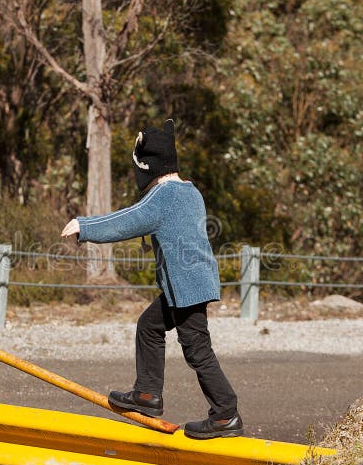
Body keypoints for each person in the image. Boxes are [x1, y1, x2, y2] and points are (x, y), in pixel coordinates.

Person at [61, 119, 242, 439]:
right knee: (150, 326)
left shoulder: (164, 196)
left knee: (197, 349)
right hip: (188, 284)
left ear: (148, 164)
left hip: (187, 287)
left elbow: (128, 220)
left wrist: (84, 226)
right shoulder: (190, 190)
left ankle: (226, 413)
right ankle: (147, 394)